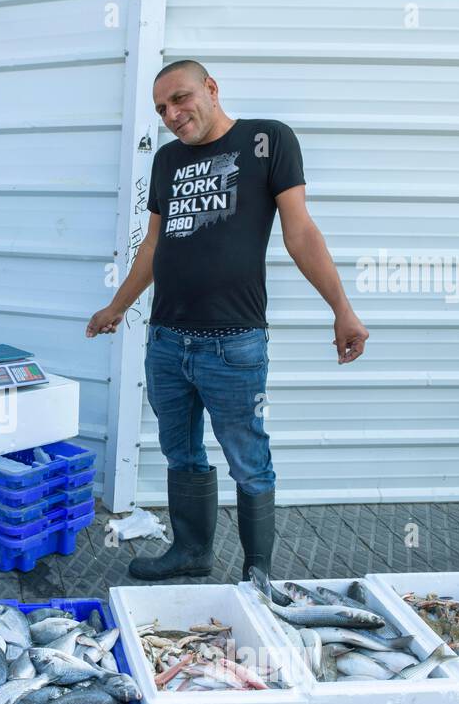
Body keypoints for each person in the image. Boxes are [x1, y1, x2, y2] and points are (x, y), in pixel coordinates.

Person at [88, 60, 370, 581]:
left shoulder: (267, 141)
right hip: (167, 338)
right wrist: (118, 306)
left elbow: (301, 232)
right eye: (161, 109)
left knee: (248, 458)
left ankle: (258, 572)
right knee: (181, 452)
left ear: (211, 89)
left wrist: (342, 309)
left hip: (234, 342)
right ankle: (191, 553)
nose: (172, 114)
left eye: (180, 99)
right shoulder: (168, 160)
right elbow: (153, 244)